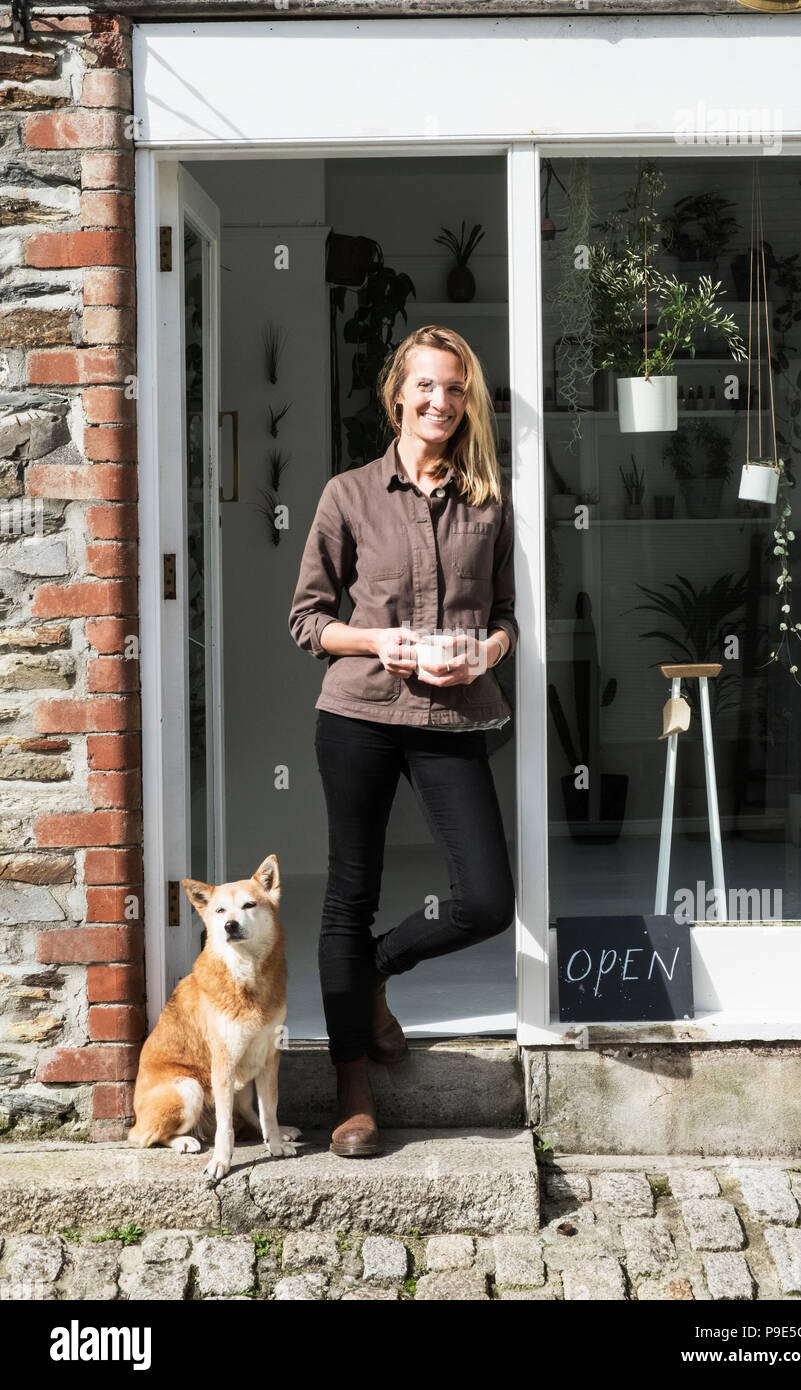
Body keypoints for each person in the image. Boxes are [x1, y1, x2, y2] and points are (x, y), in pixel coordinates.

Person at [289, 324, 518, 1157]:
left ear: (468, 402)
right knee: (349, 891)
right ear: (397, 396)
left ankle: (374, 974)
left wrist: (488, 651)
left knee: (487, 899)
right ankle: (353, 1087)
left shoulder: (488, 502)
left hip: (452, 718)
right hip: (356, 716)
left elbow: (504, 617)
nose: (440, 402)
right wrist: (375, 641)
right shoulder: (347, 495)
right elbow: (307, 620)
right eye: (426, 386)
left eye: (455, 389)